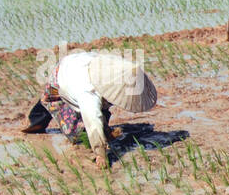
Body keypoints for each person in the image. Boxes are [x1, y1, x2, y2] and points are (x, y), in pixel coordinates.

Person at [22, 50, 157, 169]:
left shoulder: (119, 68)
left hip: (81, 61)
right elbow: (93, 121)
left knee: (99, 109)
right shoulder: (89, 93)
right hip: (61, 74)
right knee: (77, 133)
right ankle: (36, 120)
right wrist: (100, 154)